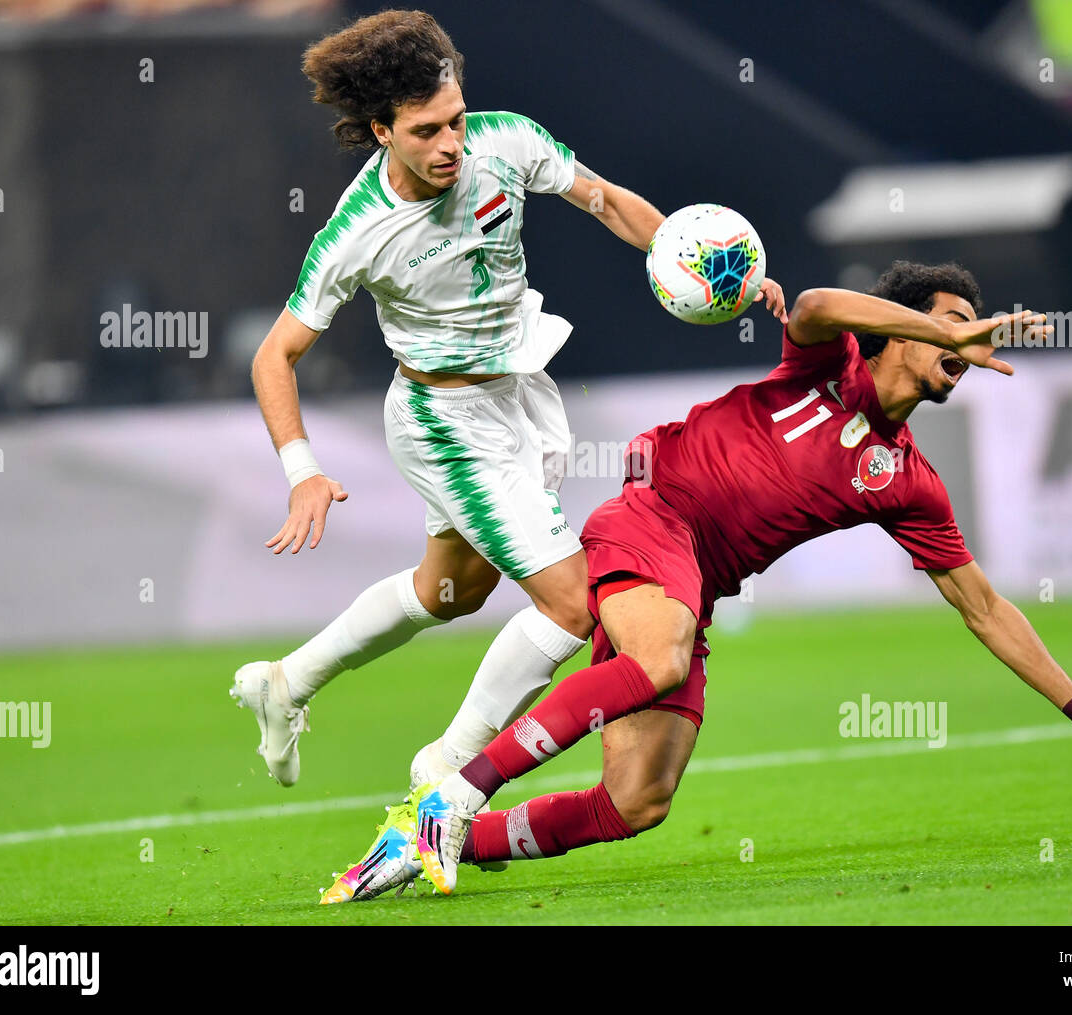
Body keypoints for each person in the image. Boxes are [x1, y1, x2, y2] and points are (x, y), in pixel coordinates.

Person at [318, 261, 1072, 902]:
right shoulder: (828, 364)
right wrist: (944, 326)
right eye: (955, 320)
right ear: (902, 329)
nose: (975, 335)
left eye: (978, 326)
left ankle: (433, 840)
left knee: (638, 800)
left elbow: (985, 607)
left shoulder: (910, 482)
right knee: (659, 659)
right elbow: (812, 305)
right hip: (653, 515)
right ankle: (455, 794)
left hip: (690, 585)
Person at [228, 6, 789, 812]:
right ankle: (446, 767)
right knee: (573, 600)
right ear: (382, 131)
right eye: (425, 131)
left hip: (517, 395)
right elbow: (273, 355)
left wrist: (704, 264)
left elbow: (604, 200)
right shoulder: (357, 230)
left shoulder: (507, 141)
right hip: (443, 421)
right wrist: (302, 471)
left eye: (455, 119)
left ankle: (287, 681)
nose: (450, 144)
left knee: (449, 591)